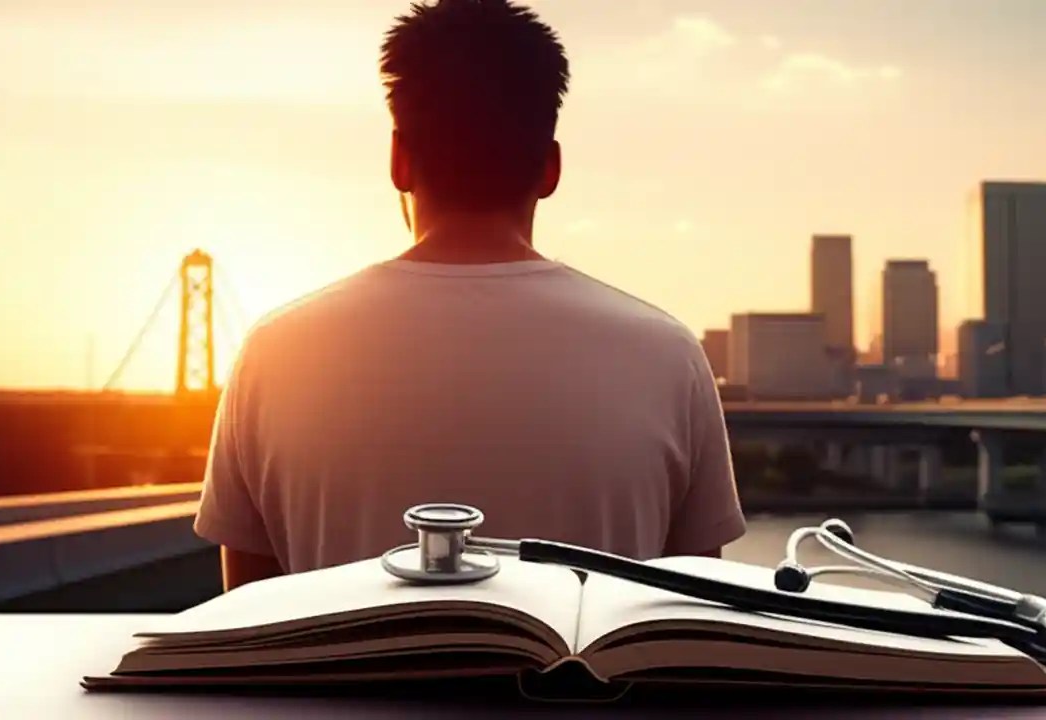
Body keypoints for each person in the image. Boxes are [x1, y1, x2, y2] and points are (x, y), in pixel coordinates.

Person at [193, 0, 745, 591]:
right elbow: (693, 628)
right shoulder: (668, 355)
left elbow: (242, 628)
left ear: (399, 159)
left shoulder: (277, 354)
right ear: (550, 169)